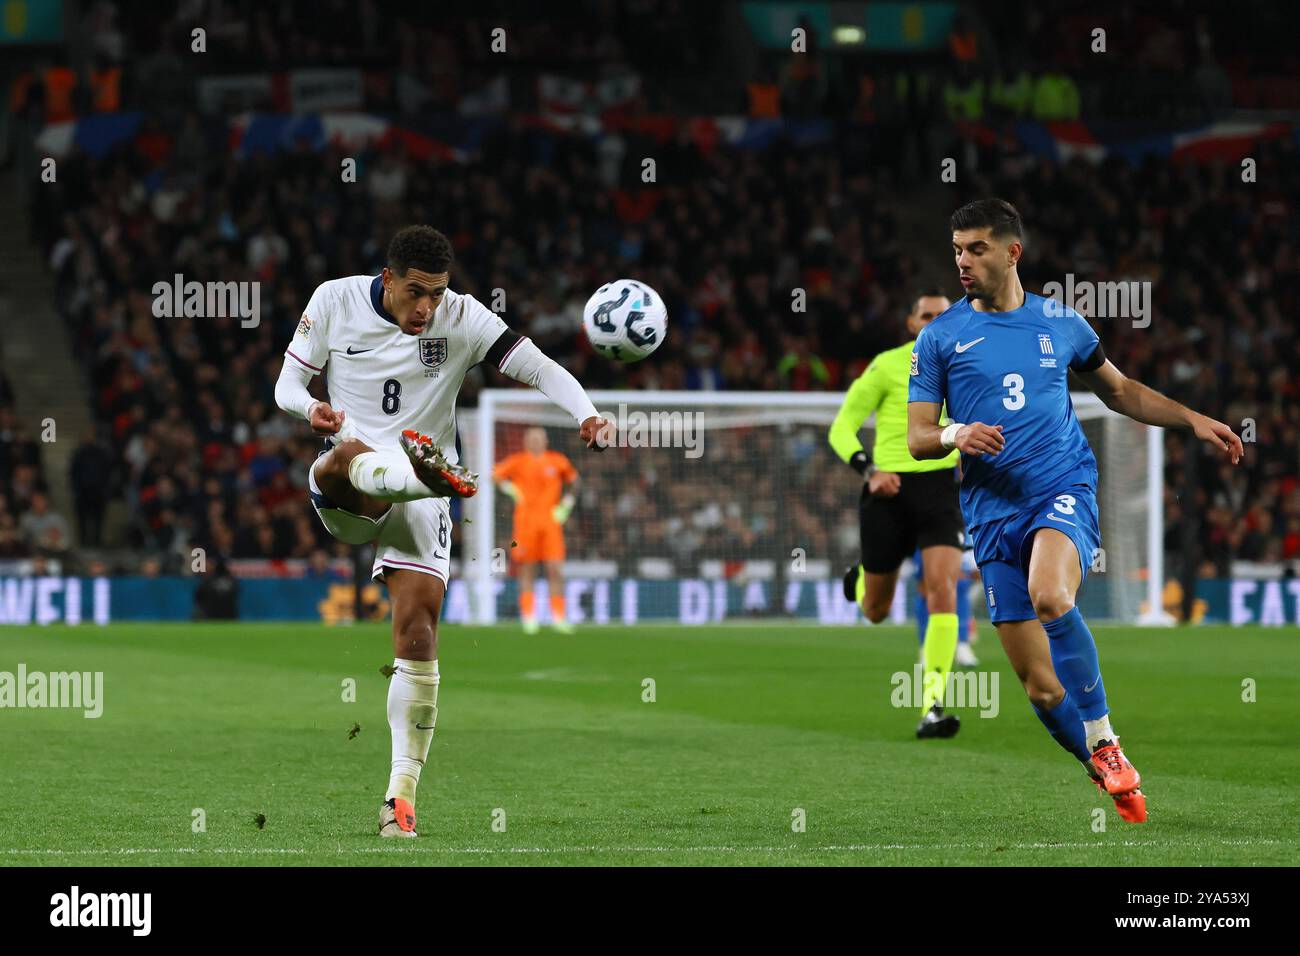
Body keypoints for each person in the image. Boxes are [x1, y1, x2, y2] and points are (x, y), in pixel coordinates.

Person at [907, 198, 1243, 822]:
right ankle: (1099, 764)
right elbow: (917, 437)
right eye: (957, 249)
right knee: (1040, 689)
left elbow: (1119, 392)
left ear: (1012, 252)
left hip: (1061, 485)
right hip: (989, 513)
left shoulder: (1062, 323)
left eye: (976, 248)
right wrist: (955, 435)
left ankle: (1107, 738)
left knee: (1052, 596)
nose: (963, 261)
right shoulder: (940, 337)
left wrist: (1192, 419)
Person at [274, 225, 611, 838]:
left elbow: (538, 367)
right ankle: (418, 476)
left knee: (419, 631)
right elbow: (286, 385)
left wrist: (585, 412)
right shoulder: (334, 301)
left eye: (437, 293)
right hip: (353, 485)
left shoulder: (461, 317)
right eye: (415, 293)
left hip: (426, 495)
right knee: (343, 456)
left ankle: (399, 797)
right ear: (389, 279)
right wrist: (309, 408)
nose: (426, 307)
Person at [829, 292, 969, 738]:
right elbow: (842, 426)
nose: (934, 322)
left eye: (943, 316)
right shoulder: (887, 364)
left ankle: (932, 705)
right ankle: (863, 577)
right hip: (887, 489)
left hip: (939, 490)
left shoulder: (967, 365)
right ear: (912, 323)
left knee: (943, 589)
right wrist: (868, 471)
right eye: (926, 315)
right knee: (875, 610)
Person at [493, 427, 580, 634]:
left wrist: (566, 505)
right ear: (525, 441)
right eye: (531, 438)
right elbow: (494, 474)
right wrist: (509, 489)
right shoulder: (518, 461)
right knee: (527, 569)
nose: (535, 442)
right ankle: (529, 617)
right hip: (525, 523)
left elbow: (575, 482)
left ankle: (558, 617)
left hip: (551, 522)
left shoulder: (557, 460)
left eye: (539, 438)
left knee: (555, 569)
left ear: (546, 441)